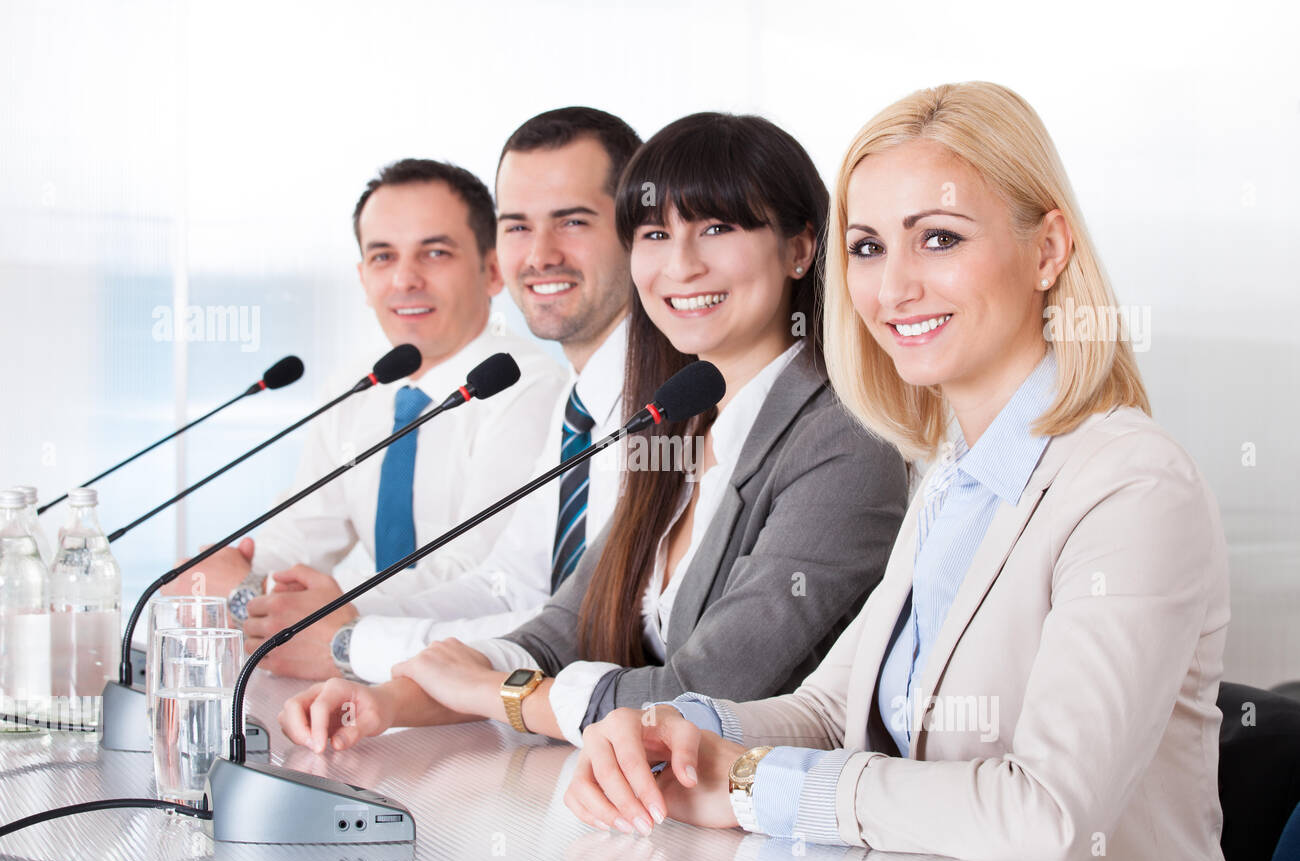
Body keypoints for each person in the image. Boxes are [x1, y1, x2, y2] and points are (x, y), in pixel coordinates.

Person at [562, 82, 1250, 861]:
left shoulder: (1132, 488)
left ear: (1048, 250)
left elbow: (1050, 815)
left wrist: (753, 786)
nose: (893, 289)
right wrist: (683, 731)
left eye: (939, 238)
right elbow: (831, 706)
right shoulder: (953, 480)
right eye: (868, 247)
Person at [278, 112, 909, 762]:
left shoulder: (845, 439)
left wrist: (506, 694)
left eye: (717, 228)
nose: (682, 265)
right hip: (649, 810)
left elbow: (701, 693)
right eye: (656, 234)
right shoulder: (682, 421)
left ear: (801, 249)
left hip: (778, 832)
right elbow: (563, 631)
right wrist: (390, 702)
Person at [165, 160, 566, 676]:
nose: (404, 279)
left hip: (483, 678)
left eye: (435, 253)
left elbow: (480, 576)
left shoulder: (529, 389)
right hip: (361, 675)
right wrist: (233, 571)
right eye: (383, 256)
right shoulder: (361, 385)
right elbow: (303, 531)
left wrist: (287, 603)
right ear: (362, 276)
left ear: (493, 270)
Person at [323, 108, 641, 684]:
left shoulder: (663, 413)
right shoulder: (580, 402)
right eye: (518, 225)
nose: (541, 254)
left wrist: (353, 641)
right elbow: (509, 582)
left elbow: (589, 630)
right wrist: (339, 620)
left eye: (572, 222)